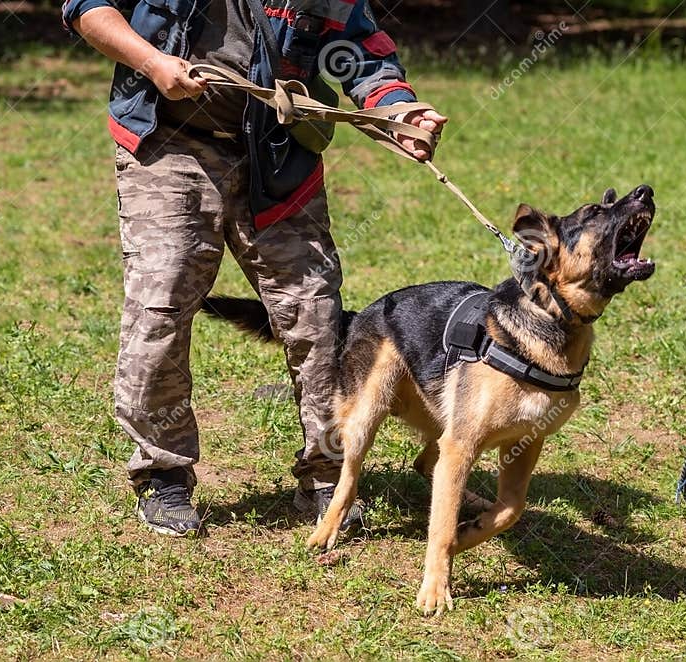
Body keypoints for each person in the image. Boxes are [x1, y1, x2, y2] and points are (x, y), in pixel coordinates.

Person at [62, 0, 446, 536]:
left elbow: (360, 53)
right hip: (169, 147)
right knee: (161, 305)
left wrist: (400, 113)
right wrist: (152, 63)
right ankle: (163, 476)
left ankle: (327, 476)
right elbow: (87, 8)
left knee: (315, 316)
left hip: (278, 158)